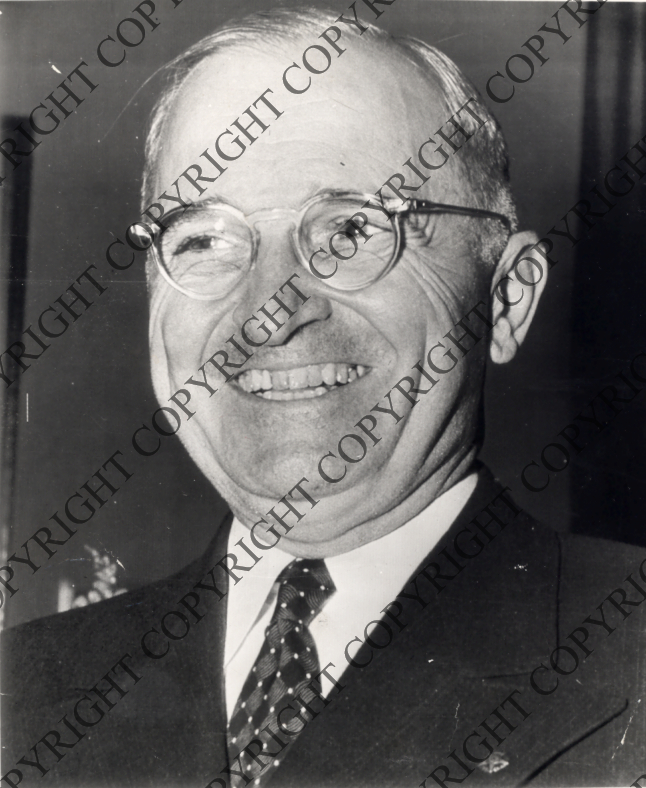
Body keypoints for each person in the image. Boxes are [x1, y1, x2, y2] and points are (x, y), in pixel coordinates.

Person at [2, 7, 645, 788]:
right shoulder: (24, 692)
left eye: (352, 229)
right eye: (203, 239)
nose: (267, 311)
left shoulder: (625, 656)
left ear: (506, 298)